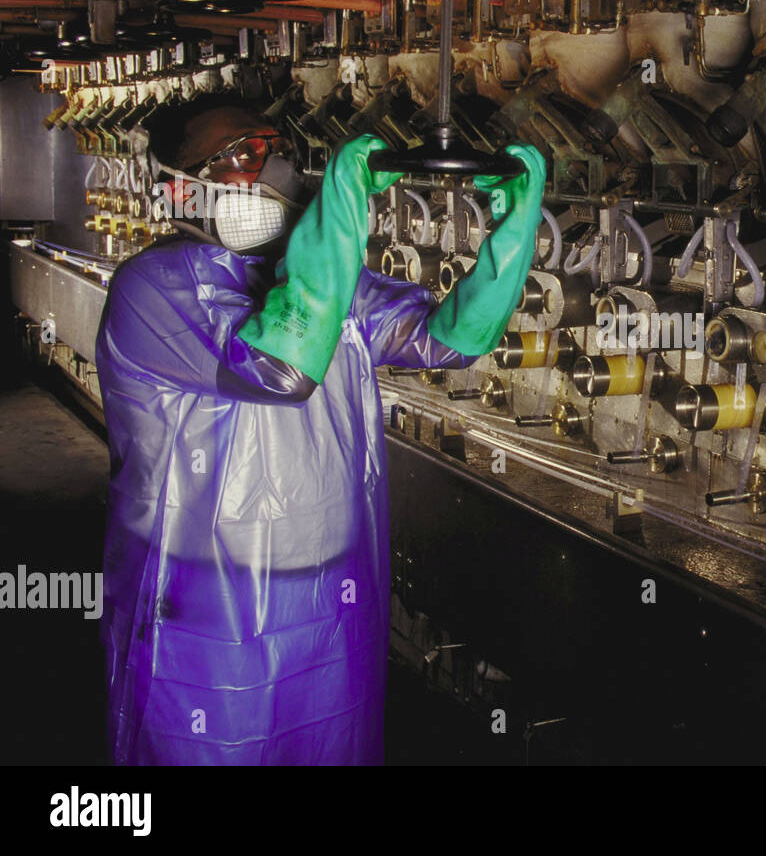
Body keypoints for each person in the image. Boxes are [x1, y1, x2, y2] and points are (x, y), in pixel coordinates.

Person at [95, 95, 546, 765]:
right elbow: (281, 365)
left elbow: (454, 339)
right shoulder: (154, 291)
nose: (272, 168)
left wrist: (510, 230)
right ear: (178, 187)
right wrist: (335, 214)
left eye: (272, 147)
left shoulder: (322, 284)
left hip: (329, 611)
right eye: (243, 155)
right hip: (204, 621)